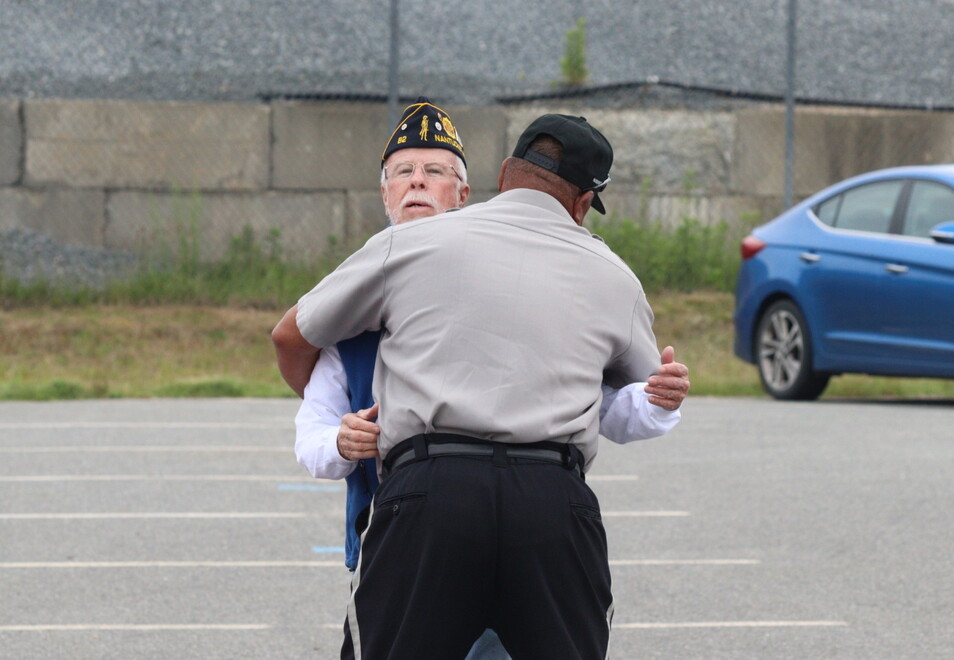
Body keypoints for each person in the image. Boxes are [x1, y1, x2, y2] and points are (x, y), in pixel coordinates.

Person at [273, 113, 689, 659]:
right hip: (550, 497)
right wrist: (661, 397)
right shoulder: (613, 274)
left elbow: (291, 334)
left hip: (430, 489)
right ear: (585, 202)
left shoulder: (411, 243)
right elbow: (633, 396)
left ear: (500, 174)